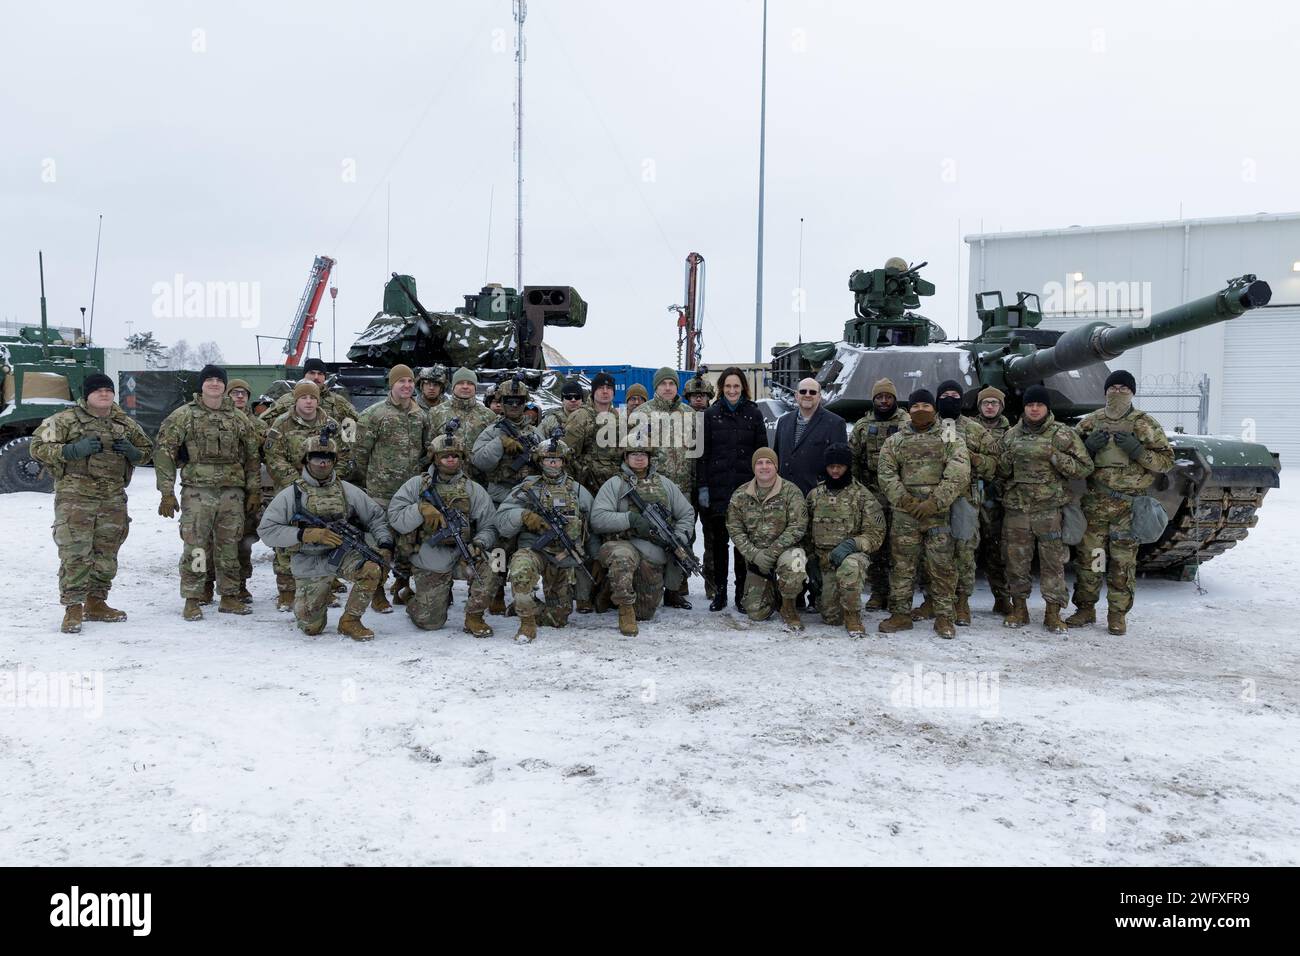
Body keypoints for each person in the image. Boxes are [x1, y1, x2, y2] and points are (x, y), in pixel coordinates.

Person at [31, 371, 153, 633]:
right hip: (76, 498)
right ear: (87, 395)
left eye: (108, 390)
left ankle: (96, 602)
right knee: (75, 553)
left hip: (113, 499)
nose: (104, 394)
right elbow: (38, 447)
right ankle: (73, 607)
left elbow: (147, 452)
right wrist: (70, 450)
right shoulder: (64, 420)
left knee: (106, 553)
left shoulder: (124, 424)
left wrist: (133, 452)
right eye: (98, 390)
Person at [258, 429, 393, 640]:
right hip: (309, 559)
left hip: (344, 553)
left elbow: (376, 517)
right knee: (311, 627)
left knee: (371, 568)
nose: (323, 463)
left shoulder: (347, 490)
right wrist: (304, 534)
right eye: (317, 458)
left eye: (329, 458)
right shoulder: (291, 495)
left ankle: (350, 620)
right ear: (306, 460)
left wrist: (385, 544)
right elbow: (267, 531)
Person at [1068, 370, 1174, 635]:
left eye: (1123, 387)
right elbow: (1069, 458)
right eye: (1112, 387)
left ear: (1132, 392)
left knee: (1122, 564)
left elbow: (1166, 462)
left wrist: (1138, 451)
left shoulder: (1144, 424)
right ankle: (1085, 608)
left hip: (1128, 508)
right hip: (1096, 505)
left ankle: (1117, 614)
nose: (1117, 391)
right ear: (1104, 391)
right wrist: (1088, 447)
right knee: (1093, 560)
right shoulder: (1090, 423)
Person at [154, 365, 261, 621]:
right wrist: (166, 492)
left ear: (224, 386)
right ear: (201, 385)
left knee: (229, 546)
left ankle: (229, 596)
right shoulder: (183, 416)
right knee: (197, 547)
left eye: (218, 380)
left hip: (232, 494)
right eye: (209, 380)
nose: (214, 384)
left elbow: (252, 456)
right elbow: (164, 452)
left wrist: (254, 490)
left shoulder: (238, 418)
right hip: (197, 493)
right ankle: (193, 598)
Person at [996, 384, 1094, 632]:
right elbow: (1000, 472)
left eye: (1039, 404)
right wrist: (1008, 459)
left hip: (1049, 510)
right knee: (1016, 562)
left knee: (1053, 564)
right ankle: (1019, 609)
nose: (1035, 408)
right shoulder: (1011, 435)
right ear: (1024, 408)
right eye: (1030, 404)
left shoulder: (1062, 434)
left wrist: (1055, 456)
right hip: (1018, 510)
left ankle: (1053, 612)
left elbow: (1084, 467)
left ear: (1047, 407)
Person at [387, 422, 499, 637]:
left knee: (495, 562)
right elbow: (396, 518)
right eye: (445, 456)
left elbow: (489, 525)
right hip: (429, 555)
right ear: (435, 458)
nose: (450, 460)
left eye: (455, 456)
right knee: (429, 622)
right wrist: (420, 509)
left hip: (464, 554)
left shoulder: (472, 489)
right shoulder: (416, 485)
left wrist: (479, 544)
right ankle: (409, 597)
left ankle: (474, 616)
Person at [876, 389, 970, 638]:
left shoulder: (947, 435)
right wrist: (905, 500)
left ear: (935, 409)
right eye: (915, 405)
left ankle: (944, 617)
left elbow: (959, 470)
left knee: (942, 566)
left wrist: (934, 502)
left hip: (937, 514)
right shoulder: (896, 439)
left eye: (926, 405)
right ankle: (900, 614)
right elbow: (886, 472)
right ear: (908, 410)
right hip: (904, 515)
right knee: (902, 567)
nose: (920, 410)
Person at [496, 435, 596, 642]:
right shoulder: (528, 487)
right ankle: (527, 623)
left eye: (557, 460)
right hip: (533, 549)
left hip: (562, 554)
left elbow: (594, 519)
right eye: (548, 460)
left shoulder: (576, 489)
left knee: (558, 618)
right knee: (520, 570)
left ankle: (523, 605)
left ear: (564, 462)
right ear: (540, 462)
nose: (553, 464)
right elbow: (502, 519)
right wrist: (524, 515)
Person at [591, 442, 695, 636]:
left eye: (643, 454)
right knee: (622, 557)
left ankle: (610, 590)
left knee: (645, 614)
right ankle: (624, 610)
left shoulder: (664, 484)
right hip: (621, 544)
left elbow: (687, 513)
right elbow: (597, 519)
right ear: (625, 457)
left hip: (652, 553)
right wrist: (629, 519)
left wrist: (679, 538)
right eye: (634, 454)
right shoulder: (615, 484)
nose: (639, 458)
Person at [350, 364, 431, 612]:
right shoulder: (374, 415)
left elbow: (427, 451)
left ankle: (402, 586)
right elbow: (360, 454)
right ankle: (377, 592)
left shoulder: (421, 416)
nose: (406, 386)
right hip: (381, 493)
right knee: (381, 544)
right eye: (401, 382)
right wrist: (370, 482)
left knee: (408, 543)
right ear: (391, 385)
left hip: (409, 494)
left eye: (410, 381)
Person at [264, 381, 350, 611]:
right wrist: (299, 482)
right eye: (304, 398)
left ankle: (325, 587)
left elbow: (343, 455)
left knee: (327, 539)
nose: (309, 401)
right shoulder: (281, 424)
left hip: (326, 492)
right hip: (291, 491)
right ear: (296, 400)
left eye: (312, 398)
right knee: (289, 542)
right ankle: (286, 591)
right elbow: (274, 458)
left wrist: (330, 479)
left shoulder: (331, 424)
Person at [697, 366, 769, 611]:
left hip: (745, 491)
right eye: (727, 386)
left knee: (742, 545)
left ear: (743, 388)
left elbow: (762, 454)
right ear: (721, 388)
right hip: (718, 489)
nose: (732, 390)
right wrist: (703, 487)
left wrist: (761, 486)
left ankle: (740, 594)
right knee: (719, 544)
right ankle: (720, 593)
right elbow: (702, 455)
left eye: (736, 386)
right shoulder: (710, 414)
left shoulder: (754, 414)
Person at [471, 377, 544, 614]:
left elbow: (548, 463)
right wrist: (499, 443)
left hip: (526, 498)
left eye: (519, 401)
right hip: (500, 497)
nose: (514, 405)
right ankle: (497, 592)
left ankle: (525, 594)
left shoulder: (535, 433)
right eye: (509, 401)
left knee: (527, 548)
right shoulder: (492, 431)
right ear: (500, 402)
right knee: (499, 549)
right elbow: (479, 461)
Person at [933, 379, 998, 626]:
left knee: (964, 552)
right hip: (933, 497)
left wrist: (973, 459)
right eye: (945, 394)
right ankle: (934, 599)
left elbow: (996, 465)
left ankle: (961, 602)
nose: (950, 399)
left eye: (955, 395)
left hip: (965, 498)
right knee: (935, 552)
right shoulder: (924, 425)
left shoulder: (975, 430)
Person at [804, 443, 885, 638]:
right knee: (831, 617)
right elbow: (805, 532)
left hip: (851, 556)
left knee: (850, 567)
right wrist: (810, 560)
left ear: (848, 467)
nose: (835, 470)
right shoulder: (815, 495)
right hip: (824, 560)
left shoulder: (862, 496)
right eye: (831, 466)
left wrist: (851, 545)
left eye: (840, 466)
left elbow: (875, 534)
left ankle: (853, 616)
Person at [725, 448, 809, 630]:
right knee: (756, 613)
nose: (764, 467)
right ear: (754, 467)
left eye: (768, 462)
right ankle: (773, 592)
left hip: (786, 551)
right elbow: (735, 529)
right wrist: (755, 555)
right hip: (756, 557)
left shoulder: (791, 492)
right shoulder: (741, 494)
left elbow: (798, 527)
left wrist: (771, 553)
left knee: (795, 563)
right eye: (759, 463)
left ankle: (789, 607)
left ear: (776, 466)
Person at [562, 371, 623, 613]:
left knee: (609, 542)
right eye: (601, 387)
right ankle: (583, 595)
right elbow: (567, 454)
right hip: (585, 488)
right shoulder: (581, 417)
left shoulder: (617, 418)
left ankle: (605, 593)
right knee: (584, 542)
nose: (605, 391)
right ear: (594, 391)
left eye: (609, 388)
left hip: (610, 492)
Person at [848, 378, 910, 610]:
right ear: (873, 400)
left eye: (888, 397)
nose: (884, 401)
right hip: (872, 495)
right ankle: (878, 591)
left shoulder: (907, 423)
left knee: (901, 547)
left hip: (901, 495)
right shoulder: (863, 426)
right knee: (876, 546)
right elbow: (852, 458)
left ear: (894, 399)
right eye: (879, 397)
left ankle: (898, 595)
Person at [206, 378, 270, 603]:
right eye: (235, 393)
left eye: (244, 393)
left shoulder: (259, 426)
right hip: (216, 489)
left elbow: (267, 456)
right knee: (209, 540)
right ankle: (206, 583)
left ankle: (240, 583)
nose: (240, 397)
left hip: (247, 491)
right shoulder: (215, 419)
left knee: (243, 540)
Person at [641, 367, 696, 610]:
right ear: (656, 387)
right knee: (656, 537)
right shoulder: (643, 413)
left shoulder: (689, 414)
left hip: (684, 488)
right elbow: (635, 451)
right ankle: (651, 585)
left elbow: (698, 452)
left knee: (683, 537)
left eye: (671, 383)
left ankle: (676, 589)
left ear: (677, 387)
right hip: (655, 489)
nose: (667, 387)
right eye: (662, 383)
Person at [974, 386, 1013, 614]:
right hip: (970, 494)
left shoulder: (1012, 431)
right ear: (979, 406)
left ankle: (1001, 597)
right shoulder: (967, 427)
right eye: (986, 402)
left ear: (1001, 406)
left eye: (994, 403)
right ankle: (959, 601)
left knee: (997, 550)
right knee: (966, 550)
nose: (990, 406)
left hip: (998, 497)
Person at [773, 378, 848, 495]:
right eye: (803, 391)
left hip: (817, 498)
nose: (807, 395)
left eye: (812, 392)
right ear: (796, 395)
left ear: (819, 397)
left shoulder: (835, 424)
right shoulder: (783, 422)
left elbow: (841, 466)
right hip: (785, 497)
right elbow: (777, 458)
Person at [681, 374, 716, 598]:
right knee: (684, 536)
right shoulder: (679, 419)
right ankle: (680, 581)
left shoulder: (716, 418)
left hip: (710, 486)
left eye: (702, 395)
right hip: (685, 485)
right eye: (694, 396)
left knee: (712, 537)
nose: (698, 399)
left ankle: (711, 583)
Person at [430, 368, 497, 478]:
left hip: (479, 478)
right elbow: (430, 446)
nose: (465, 386)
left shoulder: (489, 415)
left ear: (475, 387)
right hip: (445, 477)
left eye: (470, 383)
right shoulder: (436, 413)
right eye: (460, 383)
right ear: (453, 387)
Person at [259, 357, 359, 428]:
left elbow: (359, 423)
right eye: (312, 373)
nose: (316, 377)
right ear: (304, 375)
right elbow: (261, 422)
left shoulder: (337, 401)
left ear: (325, 377)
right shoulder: (288, 399)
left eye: (320, 374)